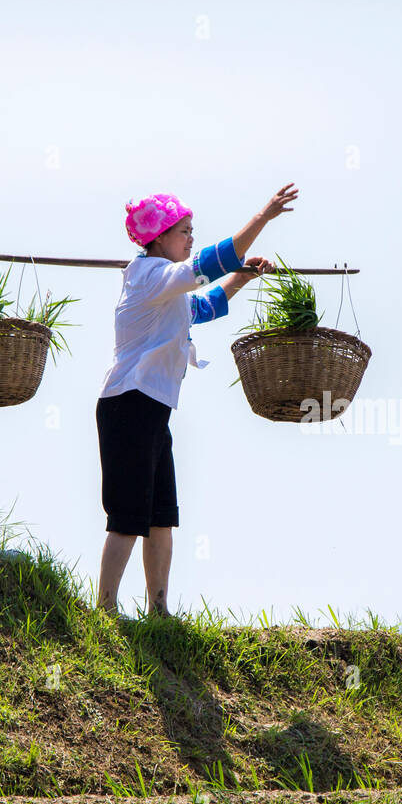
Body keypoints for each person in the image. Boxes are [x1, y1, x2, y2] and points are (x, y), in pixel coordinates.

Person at [95, 183, 300, 618]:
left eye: (192, 230)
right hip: (128, 405)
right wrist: (262, 218)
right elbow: (206, 266)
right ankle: (105, 610)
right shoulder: (147, 275)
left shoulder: (167, 288)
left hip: (151, 410)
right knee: (128, 515)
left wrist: (241, 276)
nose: (190, 237)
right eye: (184, 230)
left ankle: (158, 610)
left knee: (160, 517)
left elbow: (203, 305)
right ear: (159, 238)